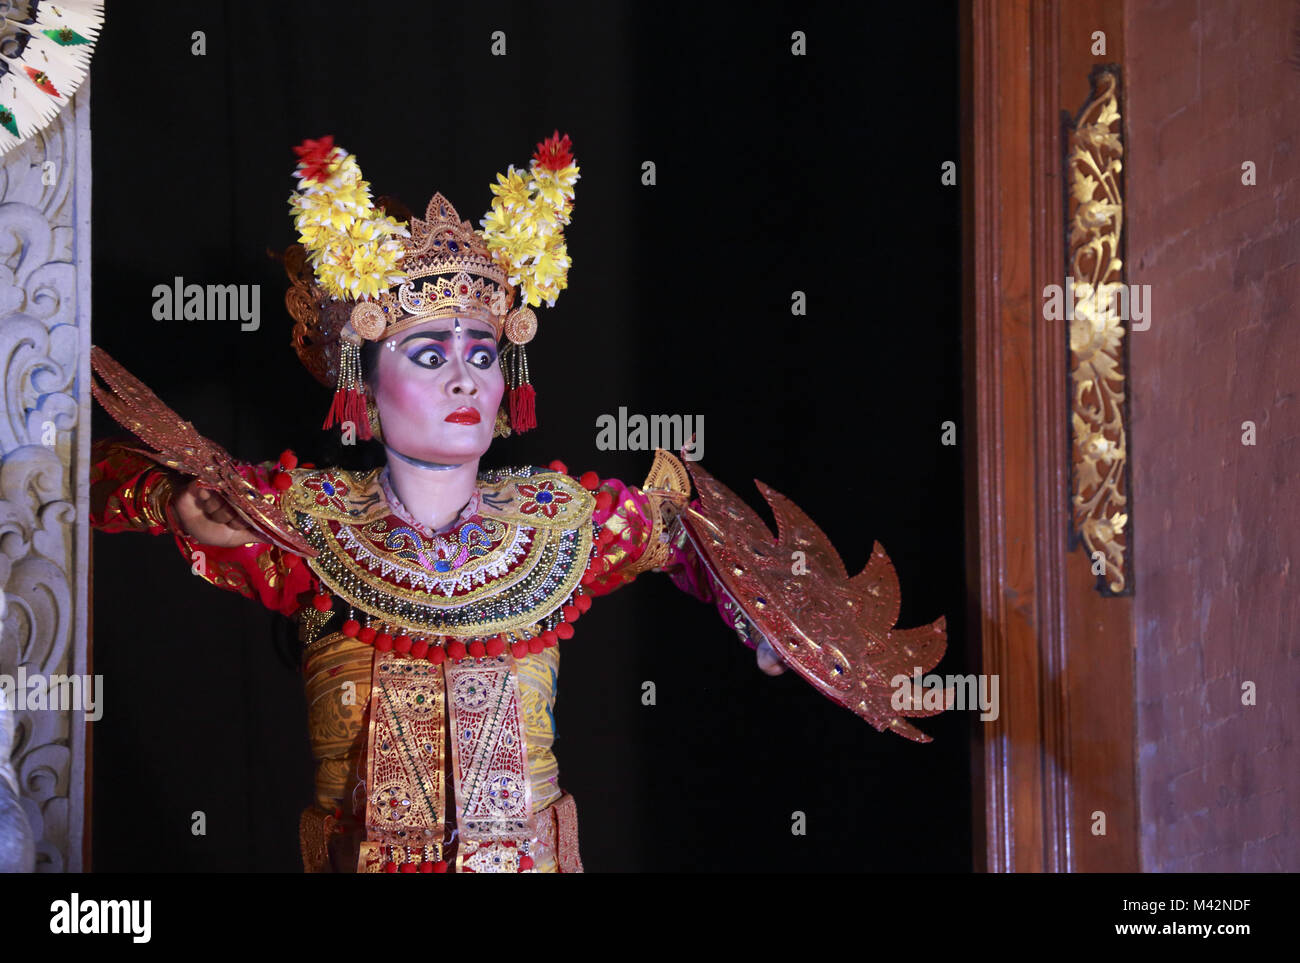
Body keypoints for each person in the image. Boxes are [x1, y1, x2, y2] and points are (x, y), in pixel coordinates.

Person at [89, 132, 944, 872]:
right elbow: (81, 488)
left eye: (484, 353)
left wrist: (764, 620)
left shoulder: (562, 517)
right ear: (363, 376)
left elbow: (685, 526)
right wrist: (171, 501)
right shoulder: (305, 517)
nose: (466, 376)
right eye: (429, 355)